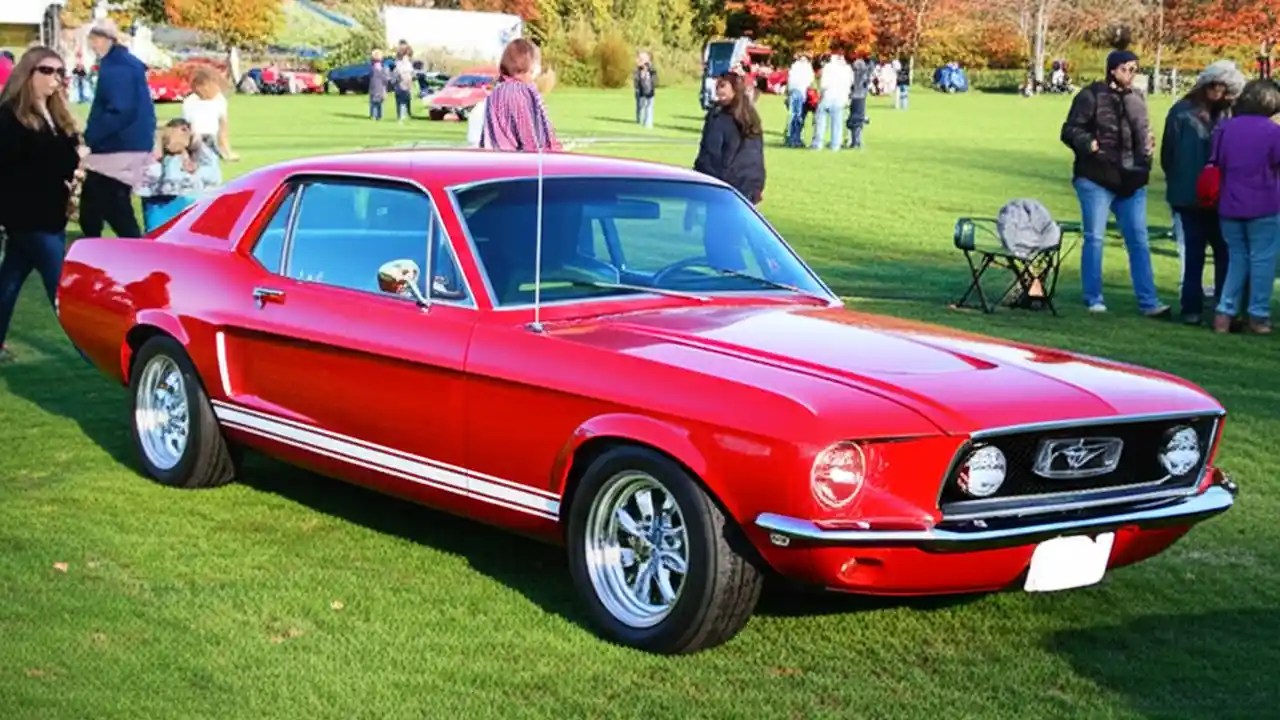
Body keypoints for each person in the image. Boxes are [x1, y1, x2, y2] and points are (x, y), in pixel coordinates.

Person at [1060, 49, 1169, 317]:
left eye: (1134, 69)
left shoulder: (1137, 97)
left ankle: (1149, 301)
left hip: (1131, 178)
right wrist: (1089, 144)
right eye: (1126, 69)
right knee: (1095, 238)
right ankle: (1094, 297)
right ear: (1112, 70)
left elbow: (1143, 130)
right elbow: (1070, 130)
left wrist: (1147, 150)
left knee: (1139, 241)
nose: (1131, 75)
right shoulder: (1090, 96)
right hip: (1096, 176)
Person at [0, 47, 83, 364]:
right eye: (46, 71)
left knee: (9, 281)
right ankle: (87, 350)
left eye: (59, 72)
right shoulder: (10, 116)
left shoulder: (56, 114)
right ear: (29, 73)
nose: (54, 79)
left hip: (52, 213)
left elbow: (65, 160)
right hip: (26, 215)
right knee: (61, 286)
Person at [1160, 60, 1246, 325]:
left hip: (1203, 196)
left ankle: (1206, 307)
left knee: (1212, 253)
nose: (1223, 94)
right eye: (1220, 87)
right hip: (1199, 195)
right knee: (1205, 254)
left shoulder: (1192, 113)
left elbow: (1168, 155)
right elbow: (1169, 154)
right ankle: (1204, 307)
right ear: (1210, 86)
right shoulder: (1187, 113)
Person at [1211, 79, 1280, 334]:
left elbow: (1217, 161)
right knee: (1263, 261)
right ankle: (1258, 315)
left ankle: (1224, 312)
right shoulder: (1273, 132)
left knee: (1236, 260)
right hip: (1263, 202)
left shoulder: (1225, 128)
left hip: (1229, 203)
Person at [80, 18, 154, 239]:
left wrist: (91, 136)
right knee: (95, 204)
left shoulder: (116, 67)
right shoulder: (127, 63)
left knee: (111, 204)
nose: (92, 46)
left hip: (117, 146)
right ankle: (95, 246)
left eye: (93, 41)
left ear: (102, 40)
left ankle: (134, 250)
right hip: (128, 143)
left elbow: (120, 109)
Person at [137, 118, 221, 233]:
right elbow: (151, 187)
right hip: (161, 223)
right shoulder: (154, 159)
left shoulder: (202, 157)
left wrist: (194, 145)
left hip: (191, 223)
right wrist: (159, 145)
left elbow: (214, 180)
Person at [693, 72, 765, 205]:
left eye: (722, 86)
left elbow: (710, 154)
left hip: (725, 185)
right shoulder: (750, 116)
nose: (718, 90)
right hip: (747, 185)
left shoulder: (719, 118)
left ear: (734, 88)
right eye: (717, 86)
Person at [478, 38, 560, 152]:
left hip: (497, 161)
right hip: (521, 163)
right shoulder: (521, 91)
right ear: (529, 64)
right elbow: (531, 136)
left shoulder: (495, 92)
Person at [182, 68, 238, 161]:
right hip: (196, 138)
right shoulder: (190, 102)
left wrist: (227, 151)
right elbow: (188, 126)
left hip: (212, 139)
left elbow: (223, 128)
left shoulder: (220, 100)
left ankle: (219, 152)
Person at [812, 54, 852, 151]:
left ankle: (818, 144)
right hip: (840, 98)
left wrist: (821, 93)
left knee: (820, 122)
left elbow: (823, 84)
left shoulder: (828, 68)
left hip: (828, 96)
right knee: (837, 124)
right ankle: (835, 145)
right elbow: (849, 84)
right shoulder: (847, 69)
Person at [784, 53, 813, 147]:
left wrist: (787, 94)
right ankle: (795, 139)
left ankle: (791, 137)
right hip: (801, 92)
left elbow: (789, 81)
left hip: (793, 92)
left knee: (793, 115)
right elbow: (810, 81)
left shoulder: (794, 66)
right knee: (798, 117)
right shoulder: (807, 67)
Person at [847, 53, 872, 149]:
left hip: (853, 97)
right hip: (861, 97)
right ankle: (856, 141)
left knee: (853, 119)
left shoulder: (852, 74)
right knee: (858, 120)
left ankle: (855, 141)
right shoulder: (864, 75)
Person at [633, 51, 657, 129]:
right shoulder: (638, 70)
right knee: (641, 107)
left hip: (649, 91)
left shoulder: (651, 70)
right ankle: (640, 120)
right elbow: (636, 79)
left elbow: (654, 79)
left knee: (649, 107)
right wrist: (637, 87)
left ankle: (648, 124)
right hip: (641, 91)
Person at [393, 41, 415, 122]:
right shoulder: (404, 63)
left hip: (403, 83)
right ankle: (403, 115)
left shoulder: (400, 63)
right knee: (404, 99)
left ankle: (403, 115)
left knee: (402, 100)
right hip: (403, 82)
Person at [368, 49, 389, 120]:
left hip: (373, 87)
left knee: (373, 103)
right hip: (381, 87)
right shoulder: (383, 69)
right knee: (379, 103)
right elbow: (385, 80)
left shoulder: (371, 68)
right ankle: (379, 115)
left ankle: (373, 115)